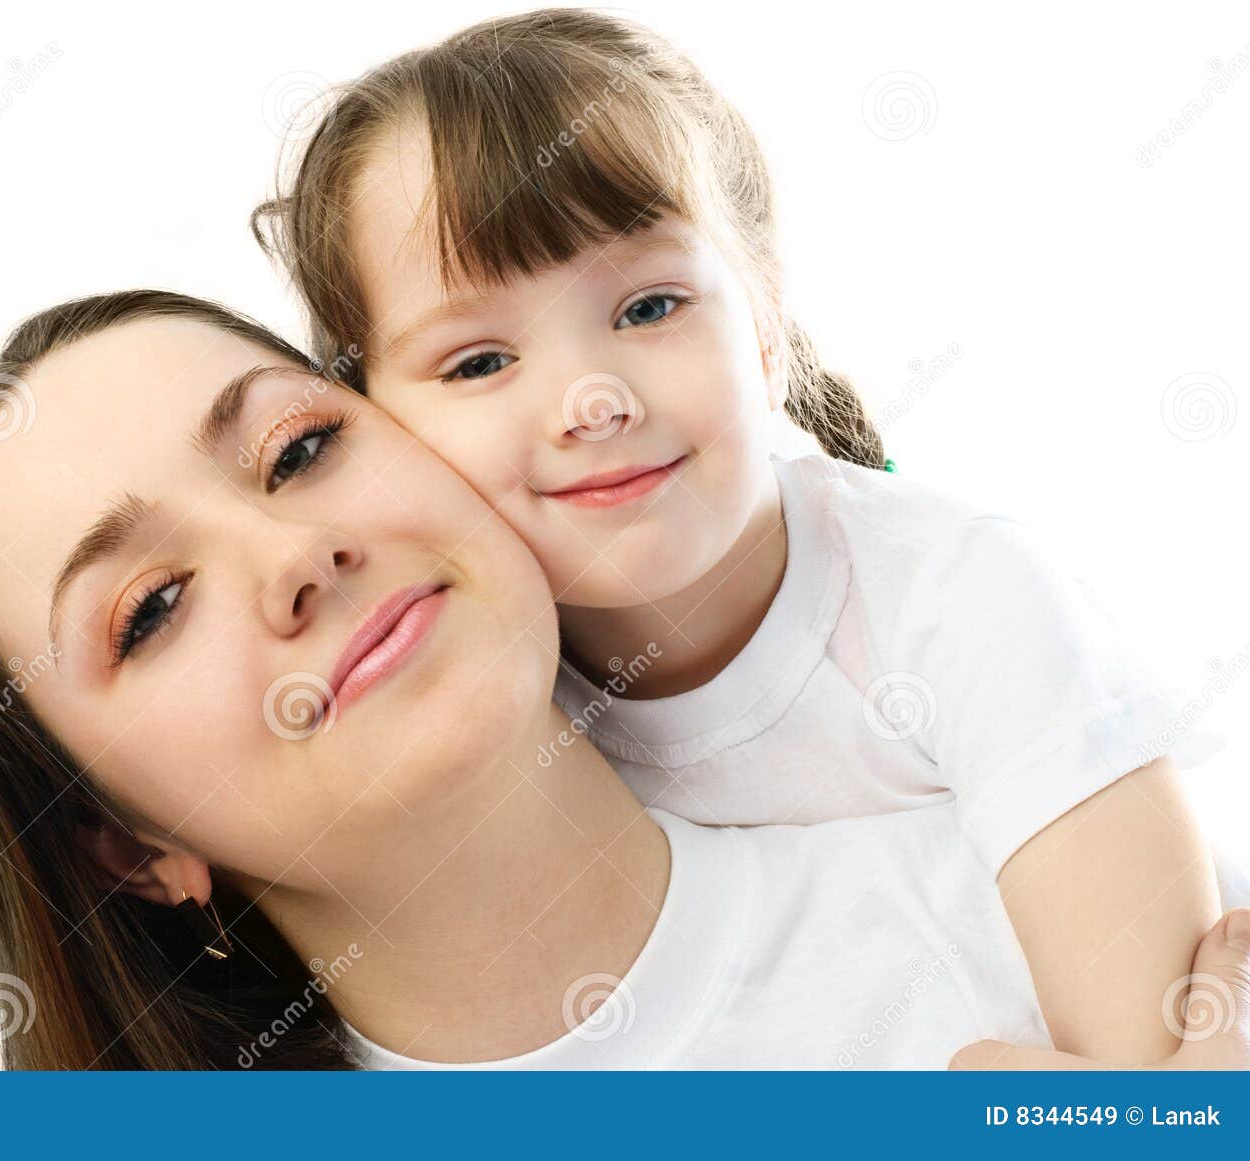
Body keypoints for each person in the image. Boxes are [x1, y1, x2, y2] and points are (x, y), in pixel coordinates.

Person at [0, 289, 1248, 1069]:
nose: (296, 554)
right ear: (128, 851)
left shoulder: (1092, 930)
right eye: (155, 606)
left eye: (300, 451)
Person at [252, 8, 1240, 1064]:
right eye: (479, 364)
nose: (589, 399)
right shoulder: (480, 705)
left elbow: (1156, 1080)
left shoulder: (959, 596)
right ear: (379, 430)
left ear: (764, 328)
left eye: (648, 307)